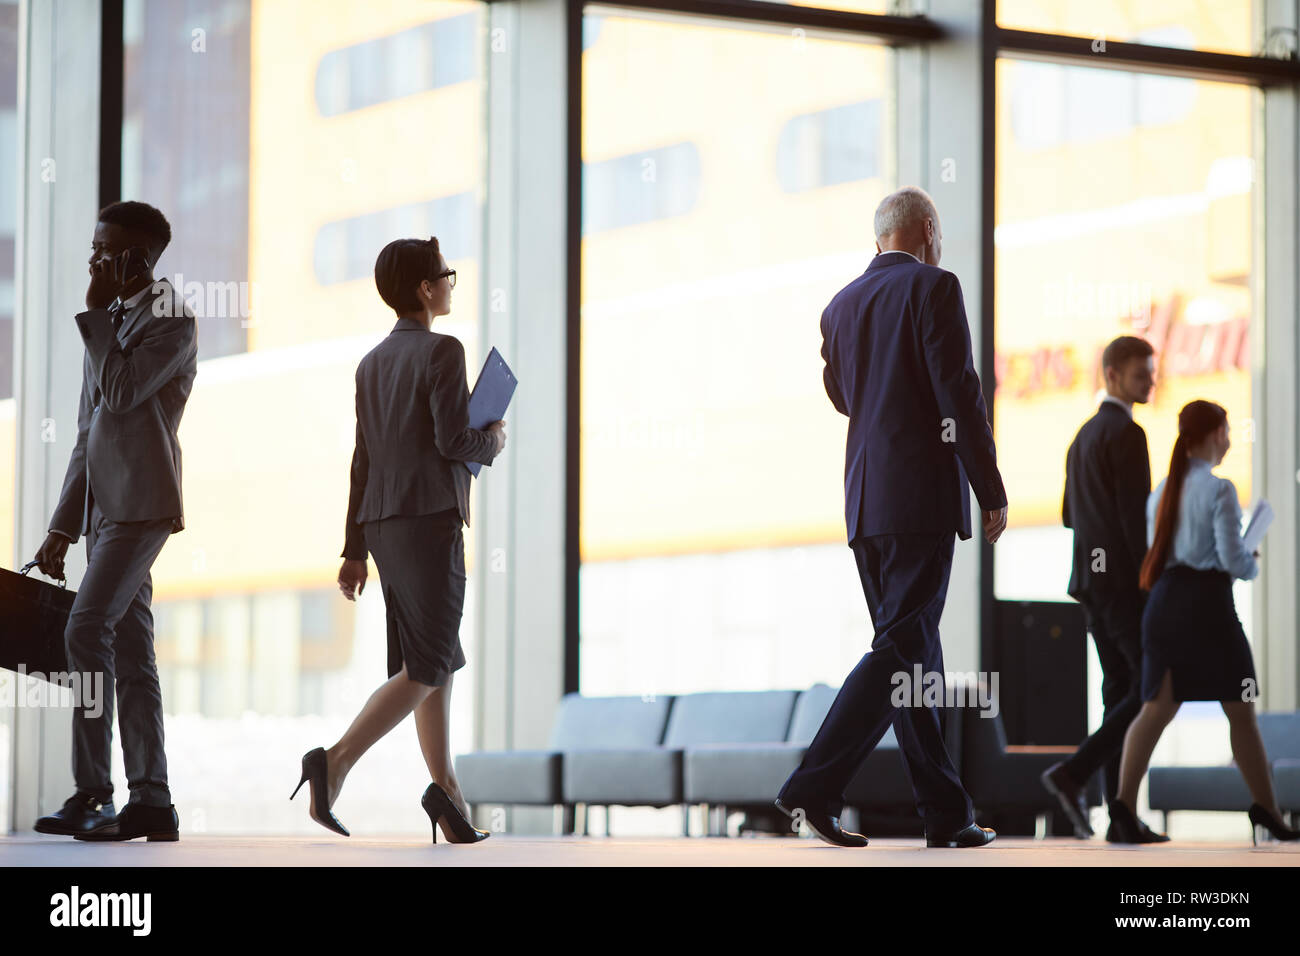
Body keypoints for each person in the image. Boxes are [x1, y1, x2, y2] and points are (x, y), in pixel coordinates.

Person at [775, 186, 1007, 848]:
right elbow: (958, 392)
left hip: (866, 504)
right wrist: (988, 484)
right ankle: (812, 787)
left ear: (879, 237)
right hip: (919, 500)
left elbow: (845, 396)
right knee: (902, 651)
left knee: (915, 660)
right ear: (927, 229)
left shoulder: (840, 305)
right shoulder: (935, 287)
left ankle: (945, 812)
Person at [292, 236, 506, 843]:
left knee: (432, 659)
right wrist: (493, 438)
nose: (449, 284)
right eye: (445, 275)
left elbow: (362, 460)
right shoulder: (443, 351)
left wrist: (354, 549)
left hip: (384, 526)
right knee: (428, 665)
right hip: (430, 520)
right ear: (424, 288)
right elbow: (453, 441)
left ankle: (448, 794)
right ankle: (334, 763)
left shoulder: (370, 364)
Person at [32, 201, 196, 842]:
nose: (95, 260)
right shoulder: (111, 319)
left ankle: (94, 792)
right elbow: (87, 430)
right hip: (102, 509)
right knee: (130, 650)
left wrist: (98, 316)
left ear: (140, 257)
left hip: (143, 503)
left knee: (85, 628)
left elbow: (124, 394)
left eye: (106, 251)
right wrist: (62, 526)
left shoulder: (171, 316)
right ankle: (152, 798)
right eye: (95, 247)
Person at [1110, 400, 1298, 843]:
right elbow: (1232, 560)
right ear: (1216, 434)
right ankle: (1267, 811)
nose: (1230, 440)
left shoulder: (1161, 491)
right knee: (1241, 711)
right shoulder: (1220, 490)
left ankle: (1123, 809)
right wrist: (1251, 560)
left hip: (1164, 605)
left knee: (1155, 709)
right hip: (1208, 608)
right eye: (1227, 431)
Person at [1042, 336, 1167, 842]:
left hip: (1089, 582)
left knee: (1119, 688)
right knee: (1151, 688)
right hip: (1123, 584)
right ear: (1112, 375)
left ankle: (1120, 815)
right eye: (1141, 374)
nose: (1150, 382)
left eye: (1152, 372)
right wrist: (1149, 581)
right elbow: (1135, 521)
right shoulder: (1128, 434)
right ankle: (1075, 773)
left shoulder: (1082, 437)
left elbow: (1069, 514)